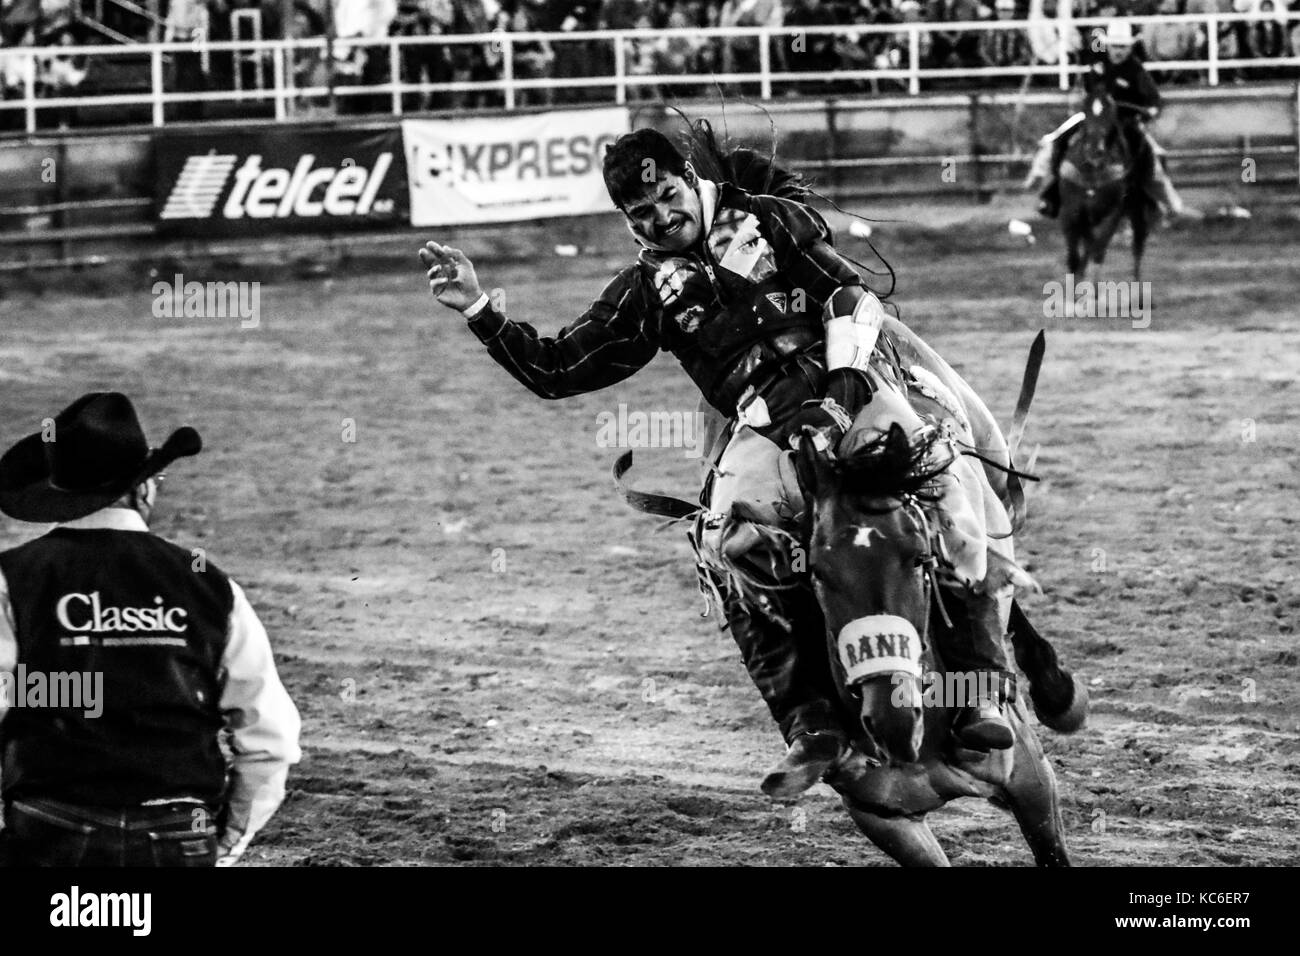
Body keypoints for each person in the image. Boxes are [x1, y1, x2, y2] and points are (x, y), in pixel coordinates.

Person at [418, 126, 1025, 801]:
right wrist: (479, 307)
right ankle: (810, 724)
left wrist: (847, 387)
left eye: (667, 197)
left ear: (687, 176)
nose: (661, 218)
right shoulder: (644, 292)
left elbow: (849, 296)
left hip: (850, 383)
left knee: (943, 486)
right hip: (763, 425)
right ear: (626, 219)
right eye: (641, 213)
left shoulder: (768, 221)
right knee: (726, 544)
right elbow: (558, 369)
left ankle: (981, 696)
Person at [0, 392, 301, 866]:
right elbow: (270, 738)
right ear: (143, 490)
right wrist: (229, 840)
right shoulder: (212, 588)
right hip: (177, 829)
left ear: (59, 493)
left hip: (50, 826)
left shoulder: (13, 578)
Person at [1026, 19, 1197, 220]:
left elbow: (1153, 101)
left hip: (1126, 122)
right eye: (1115, 46)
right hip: (1094, 118)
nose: (1119, 51)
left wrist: (1148, 111)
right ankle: (1049, 192)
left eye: (1123, 47)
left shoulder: (1136, 70)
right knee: (1058, 139)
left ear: (1130, 47)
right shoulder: (1098, 64)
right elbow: (1087, 88)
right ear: (1107, 45)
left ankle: (1171, 205)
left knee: (1153, 157)